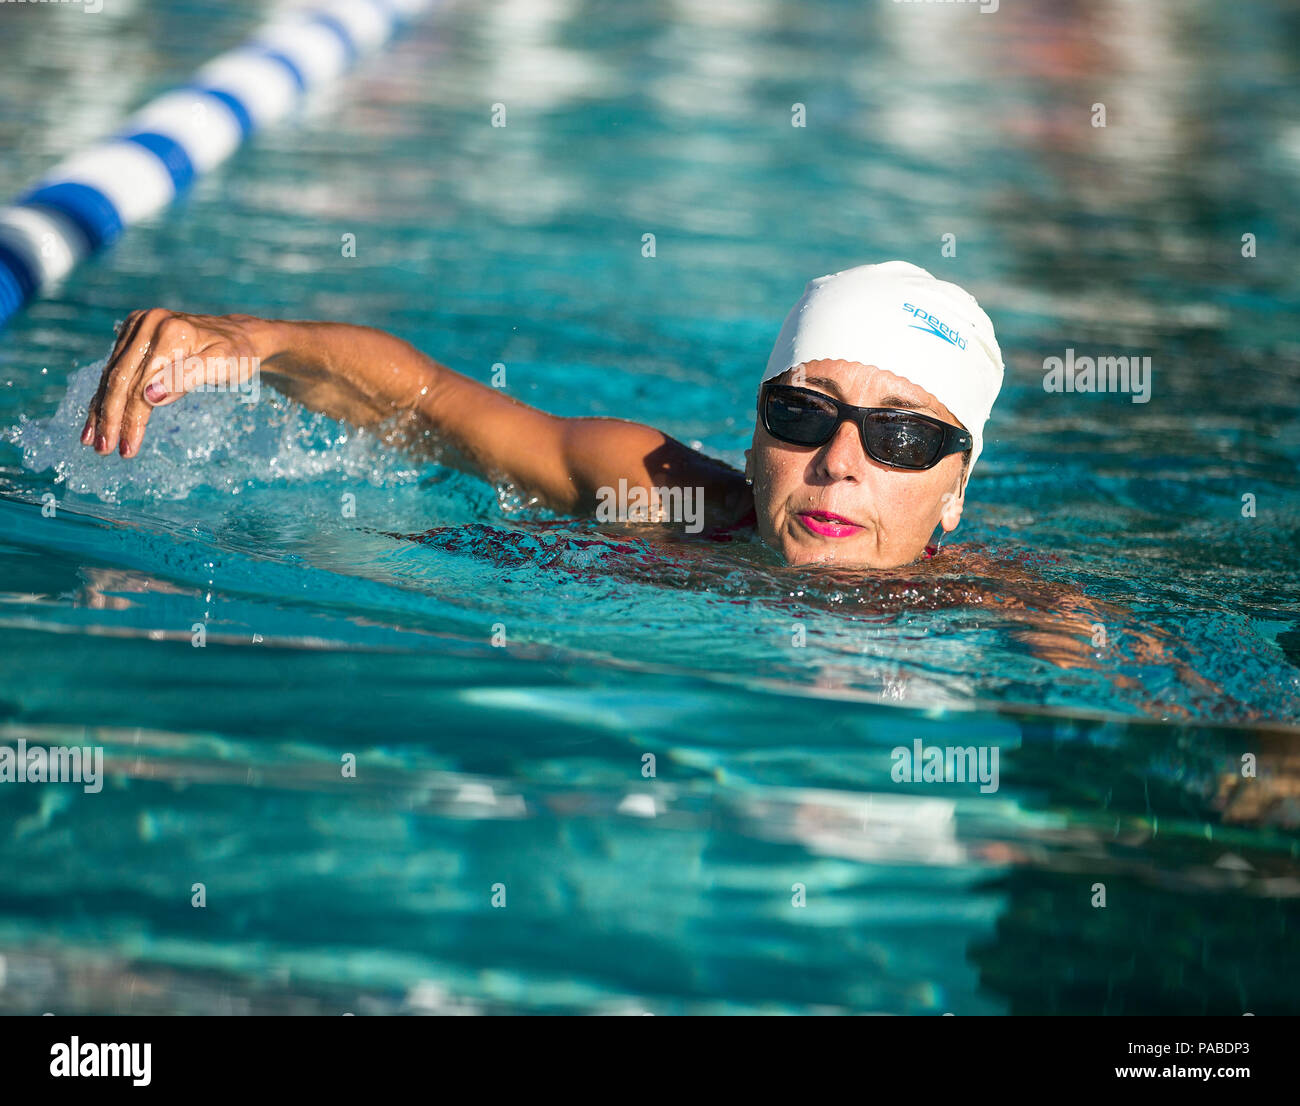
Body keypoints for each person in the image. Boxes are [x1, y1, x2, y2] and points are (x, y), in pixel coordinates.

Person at [78, 260, 1002, 571]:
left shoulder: (991, 616)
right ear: (755, 439)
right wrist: (255, 339)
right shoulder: (678, 508)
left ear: (957, 491)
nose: (840, 459)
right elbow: (431, 405)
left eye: (903, 437)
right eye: (802, 414)